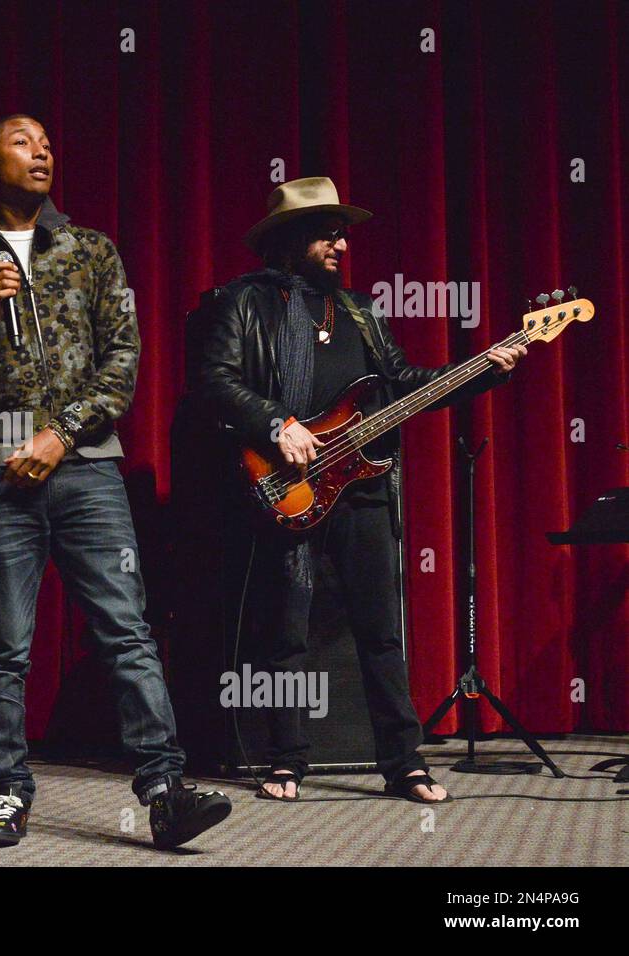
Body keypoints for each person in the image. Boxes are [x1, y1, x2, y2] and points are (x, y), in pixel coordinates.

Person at [0, 113, 232, 849]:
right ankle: (5, 792)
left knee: (126, 630)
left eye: (48, 143)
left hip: (86, 467)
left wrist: (62, 434)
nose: (43, 151)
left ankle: (163, 790)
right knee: (6, 645)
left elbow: (122, 358)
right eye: (23, 142)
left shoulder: (90, 251)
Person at [196, 177, 525, 803]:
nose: (340, 243)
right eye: (326, 232)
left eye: (341, 232)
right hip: (286, 480)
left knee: (381, 629)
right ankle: (286, 759)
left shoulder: (358, 311)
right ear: (289, 240)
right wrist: (276, 422)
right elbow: (214, 379)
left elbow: (402, 384)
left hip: (364, 487)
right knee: (286, 629)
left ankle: (404, 763)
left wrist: (485, 371)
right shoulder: (243, 302)